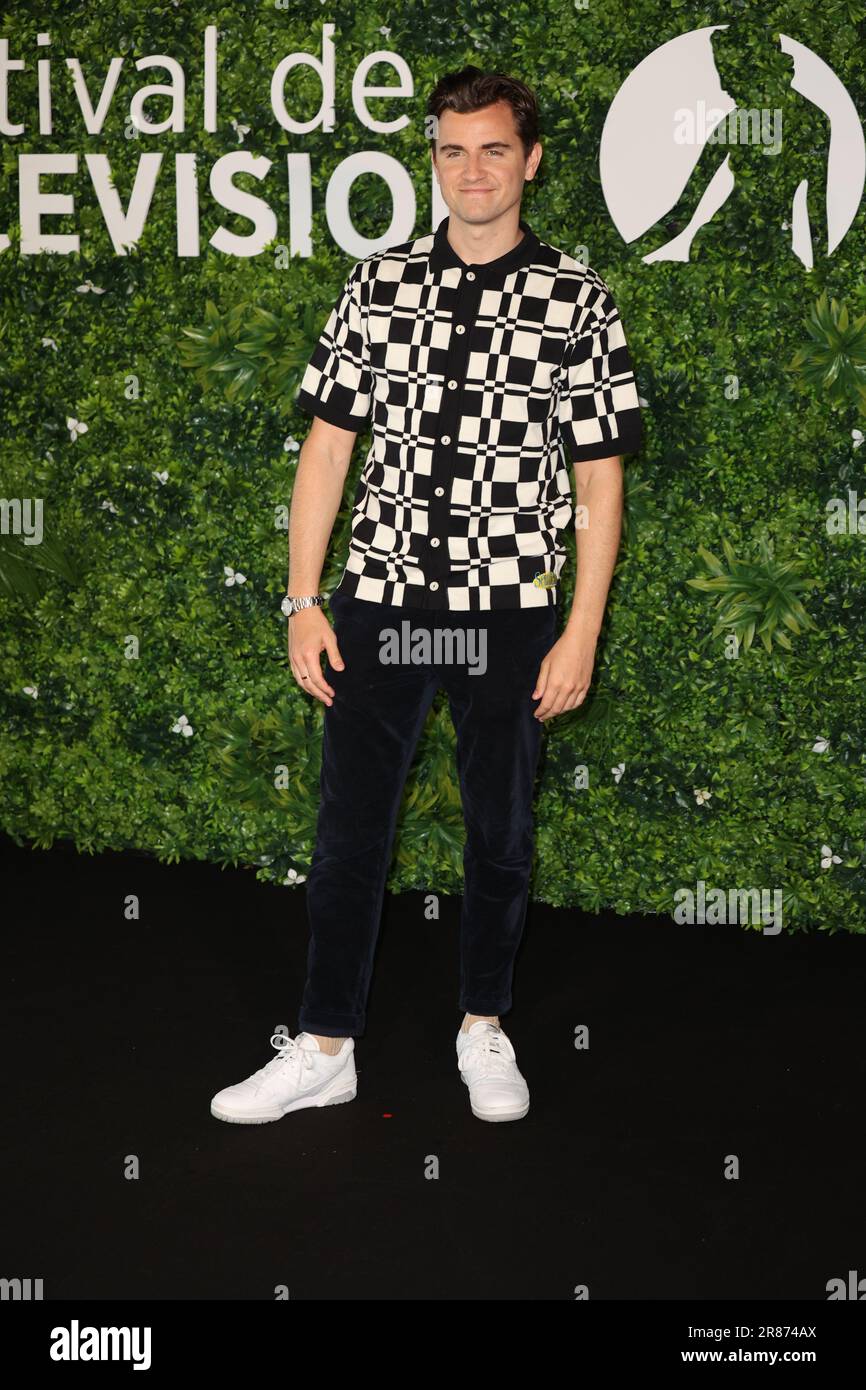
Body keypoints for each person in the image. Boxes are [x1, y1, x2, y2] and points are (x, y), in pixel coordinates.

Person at [210, 65, 643, 1126]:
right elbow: (326, 449)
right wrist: (300, 599)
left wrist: (580, 624)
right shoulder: (376, 282)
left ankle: (483, 1024)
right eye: (451, 149)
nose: (471, 169)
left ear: (530, 161)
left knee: (499, 830)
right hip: (385, 600)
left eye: (493, 148)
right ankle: (323, 1045)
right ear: (433, 158)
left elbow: (597, 475)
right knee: (350, 828)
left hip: (509, 611)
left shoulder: (575, 293)